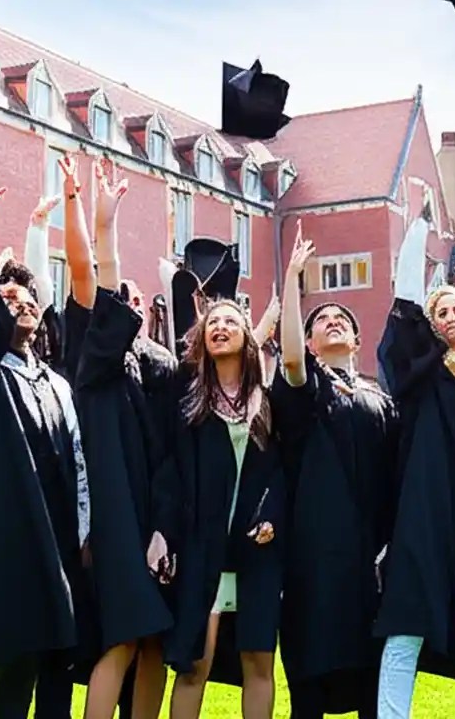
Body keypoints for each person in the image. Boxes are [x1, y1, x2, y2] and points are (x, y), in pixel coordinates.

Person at [0, 167, 91, 719]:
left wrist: (83, 530)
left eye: (25, 295)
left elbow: (76, 466)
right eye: (3, 296)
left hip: (51, 545)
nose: (19, 301)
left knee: (29, 664)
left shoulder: (54, 384)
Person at [50, 156, 178, 719]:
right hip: (111, 521)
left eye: (129, 299)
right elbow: (86, 272)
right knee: (122, 639)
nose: (122, 301)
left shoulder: (153, 370)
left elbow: (170, 452)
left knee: (152, 640)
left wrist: (163, 528)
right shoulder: (92, 363)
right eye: (114, 299)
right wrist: (97, 221)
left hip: (150, 521)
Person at [374, 210, 455, 719]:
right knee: (405, 627)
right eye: (441, 314)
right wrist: (417, 231)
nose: (450, 318)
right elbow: (405, 307)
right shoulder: (424, 377)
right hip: (424, 522)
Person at [273, 220, 398, 718]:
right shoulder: (308, 389)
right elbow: (290, 360)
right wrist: (292, 281)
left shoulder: (380, 399)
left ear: (357, 338)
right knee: (311, 688)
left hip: (369, 567)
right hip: (313, 567)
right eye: (320, 319)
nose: (332, 321)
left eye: (341, 319)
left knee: (369, 685)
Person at [159, 292, 284, 719]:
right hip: (203, 549)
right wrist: (163, 531)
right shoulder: (190, 399)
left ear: (247, 336)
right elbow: (171, 472)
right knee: (194, 666)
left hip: (256, 552)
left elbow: (281, 474)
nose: (220, 327)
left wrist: (273, 515)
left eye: (231, 321)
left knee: (260, 665)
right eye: (212, 323)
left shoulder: (266, 402)